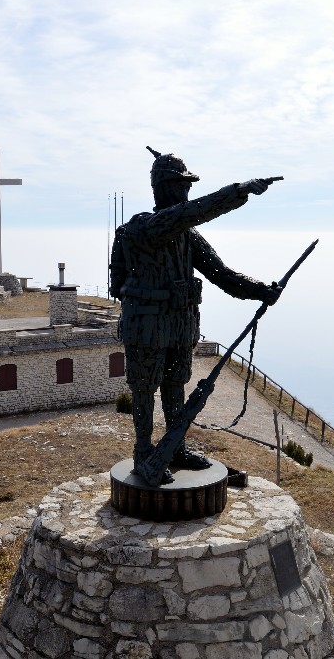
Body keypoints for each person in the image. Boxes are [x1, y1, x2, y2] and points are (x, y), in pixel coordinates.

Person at [110, 146, 282, 483]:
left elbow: (222, 274)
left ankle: (176, 449)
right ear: (163, 188)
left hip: (179, 325)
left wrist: (261, 290)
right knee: (144, 389)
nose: (187, 191)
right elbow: (192, 213)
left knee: (176, 386)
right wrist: (239, 190)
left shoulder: (187, 236)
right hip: (146, 325)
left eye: (188, 186)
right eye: (181, 185)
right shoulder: (144, 228)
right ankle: (144, 453)